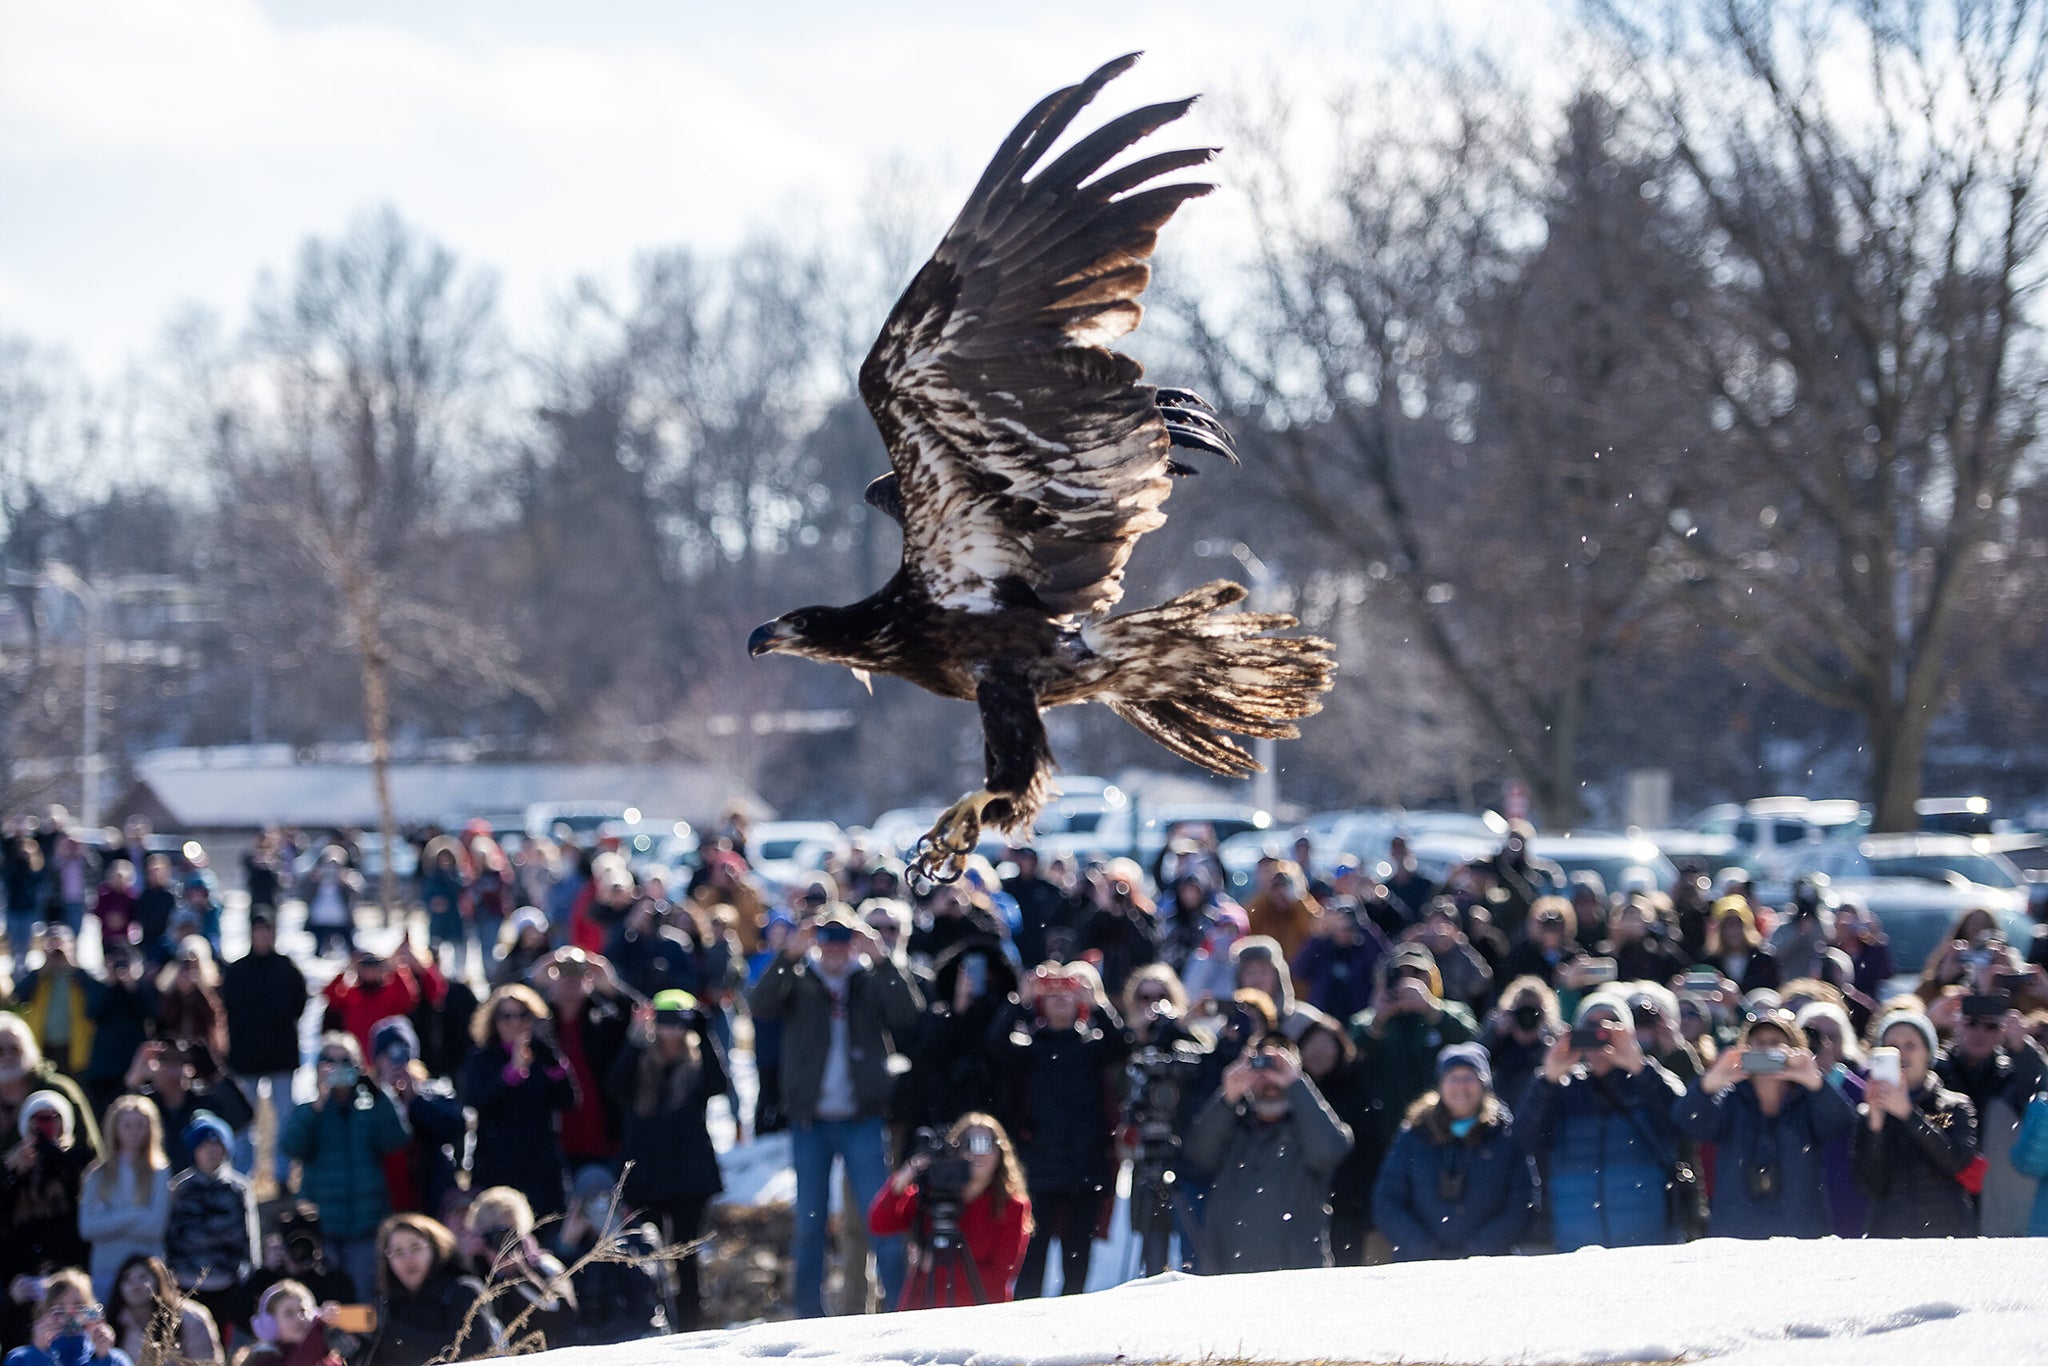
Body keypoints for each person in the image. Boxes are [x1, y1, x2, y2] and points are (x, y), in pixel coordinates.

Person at [747, 906, 920, 1317]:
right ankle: (808, 1319)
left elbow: (906, 1013)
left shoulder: (868, 980)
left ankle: (902, 1309)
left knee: (882, 1222)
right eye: (826, 940)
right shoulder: (800, 980)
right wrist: (789, 954)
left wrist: (880, 957)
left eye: (844, 940)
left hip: (862, 1119)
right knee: (810, 1226)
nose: (835, 949)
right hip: (811, 1122)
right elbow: (760, 1003)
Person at [988, 963, 1128, 1298]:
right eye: (1052, 994)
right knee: (1031, 1261)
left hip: (1086, 1166)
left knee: (1077, 1262)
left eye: (1068, 993)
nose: (1061, 1000)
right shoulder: (1029, 1048)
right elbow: (994, 1044)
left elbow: (1122, 1046)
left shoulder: (1093, 1047)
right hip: (1040, 1165)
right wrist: (1020, 1000)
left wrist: (1097, 1003)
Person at [1516, 990, 1687, 1251]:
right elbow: (1523, 1138)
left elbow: (1684, 1123)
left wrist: (1639, 1068)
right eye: (1590, 1029)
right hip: (1575, 1245)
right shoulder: (1562, 1087)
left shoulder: (1649, 1079)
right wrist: (1548, 1076)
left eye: (1610, 1028)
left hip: (1647, 1244)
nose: (1600, 1036)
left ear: (1628, 1034)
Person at [1674, 1010, 1855, 1238]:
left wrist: (1815, 1081)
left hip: (1801, 1234)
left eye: (1775, 1044)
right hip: (1737, 1233)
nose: (1767, 1050)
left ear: (1793, 1050)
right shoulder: (1730, 1100)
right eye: (1758, 1044)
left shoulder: (1808, 1101)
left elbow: (1842, 1124)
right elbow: (1685, 1121)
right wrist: (1711, 1081)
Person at [607, 990, 726, 1332]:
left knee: (686, 1261)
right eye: (665, 1023)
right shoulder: (639, 1060)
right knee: (648, 1261)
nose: (671, 1032)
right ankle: (653, 1328)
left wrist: (704, 1030)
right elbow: (614, 1084)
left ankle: (691, 1331)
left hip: (690, 1175)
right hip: (646, 1175)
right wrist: (634, 1036)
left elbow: (719, 1083)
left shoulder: (696, 1061)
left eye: (679, 1024)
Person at [1185, 1034, 1353, 1272]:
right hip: (1227, 1274)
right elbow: (1198, 1154)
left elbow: (1330, 1150)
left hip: (1297, 1277)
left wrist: (1296, 1084)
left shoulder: (1308, 1129)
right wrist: (1228, 1096)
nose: (1270, 1081)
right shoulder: (1232, 1125)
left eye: (1279, 1068)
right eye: (1259, 1068)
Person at [1372, 1043, 1537, 1260]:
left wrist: (1480, 1250)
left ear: (1484, 1085)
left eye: (1469, 1077)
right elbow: (1387, 1201)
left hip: (1490, 1266)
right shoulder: (1414, 1134)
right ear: (1440, 1085)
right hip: (1421, 1266)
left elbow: (1522, 1201)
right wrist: (1423, 1249)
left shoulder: (1504, 1135)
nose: (1461, 1086)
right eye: (1453, 1077)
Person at [283, 1033, 411, 1295]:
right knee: (327, 1298)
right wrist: (318, 1103)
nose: (337, 1067)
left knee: (363, 1296)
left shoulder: (371, 1105)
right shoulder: (308, 1109)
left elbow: (397, 1140)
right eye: (329, 1060)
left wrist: (381, 1093)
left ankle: (364, 1338)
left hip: (365, 1224)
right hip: (323, 1227)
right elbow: (291, 1146)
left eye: (345, 1061)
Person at [867, 1112, 1033, 1308]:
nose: (978, 1154)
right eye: (968, 1144)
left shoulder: (1013, 1207)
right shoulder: (932, 1195)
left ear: (1000, 1152)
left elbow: (998, 1279)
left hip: (980, 1313)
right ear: (955, 1150)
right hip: (923, 1307)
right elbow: (878, 1224)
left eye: (986, 1144)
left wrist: (935, 1266)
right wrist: (906, 1175)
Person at [1853, 1008, 1980, 1238]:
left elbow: (1956, 1163)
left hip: (1948, 1233)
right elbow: (1870, 1184)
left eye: (1910, 1045)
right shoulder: (1869, 1113)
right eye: (1892, 1047)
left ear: (1928, 1054)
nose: (1901, 1054)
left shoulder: (1953, 1106)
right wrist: (1875, 1125)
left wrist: (1908, 1115)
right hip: (1889, 1236)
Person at [460, 985, 577, 1220]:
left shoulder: (544, 1056)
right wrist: (511, 1073)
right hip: (497, 1167)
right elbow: (477, 1102)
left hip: (541, 1169)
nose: (515, 1022)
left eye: (523, 1015)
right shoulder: (481, 1058)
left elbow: (570, 1101)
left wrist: (553, 1060)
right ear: (494, 1021)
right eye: (506, 1016)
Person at [221, 907, 308, 1189]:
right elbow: (227, 1008)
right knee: (244, 1121)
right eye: (257, 930)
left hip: (280, 1056)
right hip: (246, 1058)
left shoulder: (287, 968)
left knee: (285, 1118)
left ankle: (282, 1175)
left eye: (266, 930)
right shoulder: (236, 971)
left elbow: (300, 1004)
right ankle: (243, 1174)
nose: (262, 936)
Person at [2, 1091, 93, 1345]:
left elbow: (83, 1213)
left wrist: (59, 1160)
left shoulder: (81, 1164)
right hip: (21, 1279)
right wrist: (10, 1175)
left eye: (53, 1119)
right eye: (38, 1120)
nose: (44, 1126)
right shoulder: (11, 1166)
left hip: (69, 1280)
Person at [361, 1213, 498, 1366]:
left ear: (435, 1247)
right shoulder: (385, 1305)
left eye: (415, 1247)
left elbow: (464, 1352)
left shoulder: (463, 1290)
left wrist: (385, 1333)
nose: (408, 1259)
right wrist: (354, 1348)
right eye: (398, 1252)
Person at [367, 1018, 467, 1220]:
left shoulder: (434, 1092)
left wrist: (415, 1100)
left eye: (400, 1053)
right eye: (387, 1055)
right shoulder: (367, 1099)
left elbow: (455, 1127)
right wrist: (387, 1099)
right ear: (376, 1060)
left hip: (430, 1196)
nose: (393, 1062)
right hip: (385, 1200)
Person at [165, 1112, 258, 1327]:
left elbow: (250, 1236)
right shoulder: (180, 1188)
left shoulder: (238, 1188)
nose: (210, 1151)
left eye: (216, 1144)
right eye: (203, 1145)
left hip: (227, 1281)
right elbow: (170, 1234)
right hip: (186, 1281)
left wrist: (252, 1276)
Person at [77, 1096, 171, 1299]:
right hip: (105, 1270)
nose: (134, 1132)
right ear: (115, 1127)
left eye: (140, 1125)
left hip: (146, 1273)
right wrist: (137, 1215)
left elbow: (155, 1228)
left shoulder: (160, 1172)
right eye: (127, 1125)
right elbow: (88, 1228)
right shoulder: (97, 1174)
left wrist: (109, 1219)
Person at [462, 1187, 576, 1352]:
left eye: (509, 1234)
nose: (502, 1243)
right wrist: (467, 1262)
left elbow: (559, 1312)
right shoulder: (474, 1272)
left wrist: (519, 1274)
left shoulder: (544, 1264)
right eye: (493, 1234)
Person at [105, 1255, 219, 1366]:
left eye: (143, 1277)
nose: (135, 1284)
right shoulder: (114, 1322)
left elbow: (206, 1361)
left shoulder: (190, 1317)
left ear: (158, 1281)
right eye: (127, 1279)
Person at [3, 1268, 128, 1366]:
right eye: (59, 1308)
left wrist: (103, 1359)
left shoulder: (116, 1359)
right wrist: (38, 1354)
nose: (70, 1313)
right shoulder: (20, 1359)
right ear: (44, 1314)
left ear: (92, 1310)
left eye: (78, 1304)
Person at [17, 927, 94, 1079]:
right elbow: (18, 996)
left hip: (75, 1050)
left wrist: (72, 965)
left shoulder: (80, 976)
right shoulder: (39, 976)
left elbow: (97, 997)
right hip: (44, 1048)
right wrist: (44, 968)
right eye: (51, 944)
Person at [235, 1279, 348, 1366]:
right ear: (270, 1324)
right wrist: (320, 1326)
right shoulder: (263, 1360)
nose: (299, 1318)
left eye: (303, 1311)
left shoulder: (326, 1353)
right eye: (288, 1314)